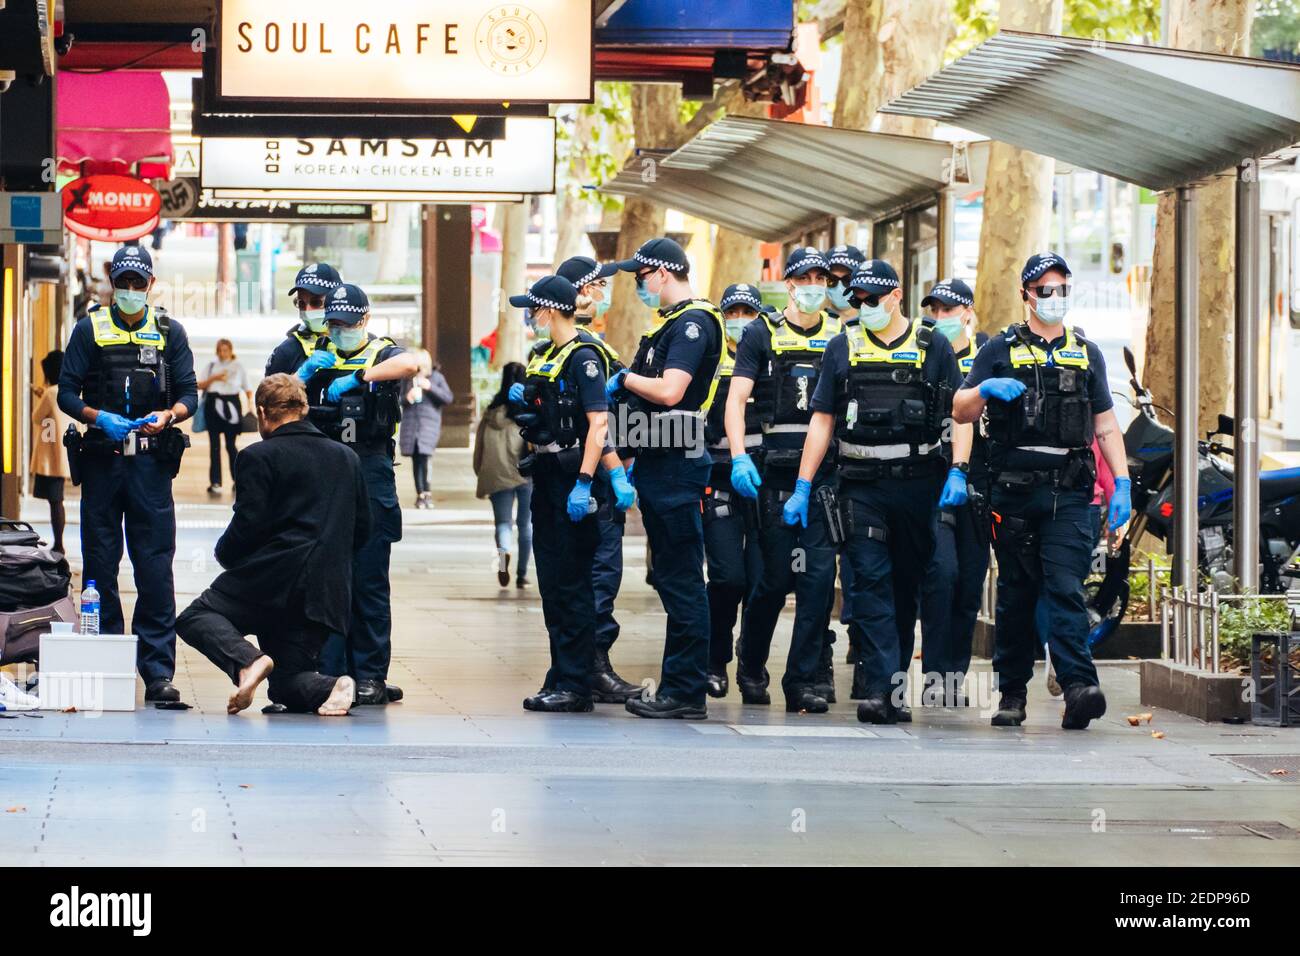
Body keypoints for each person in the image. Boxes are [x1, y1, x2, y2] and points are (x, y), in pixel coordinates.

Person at [952, 252, 1132, 730]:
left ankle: (1078, 687)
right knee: (1016, 591)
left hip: (1070, 493)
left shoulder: (1086, 351)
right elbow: (961, 410)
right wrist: (987, 388)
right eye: (1045, 290)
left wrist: (1123, 484)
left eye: (1062, 289)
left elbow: (1106, 425)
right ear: (1026, 294)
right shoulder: (1000, 349)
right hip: (1012, 491)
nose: (1054, 298)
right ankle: (1011, 692)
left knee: (1064, 587)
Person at [790, 259, 970, 723]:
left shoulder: (934, 346)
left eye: (873, 299)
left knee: (905, 586)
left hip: (918, 484)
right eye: (858, 300)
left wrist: (959, 471)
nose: (864, 306)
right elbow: (824, 419)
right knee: (869, 584)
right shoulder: (841, 347)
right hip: (860, 485)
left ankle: (890, 683)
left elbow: (959, 413)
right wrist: (803, 483)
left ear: (895, 297)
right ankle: (883, 688)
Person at [175, 374, 366, 716]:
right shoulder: (347, 458)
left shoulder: (258, 456)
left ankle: (248, 662)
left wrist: (225, 555)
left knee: (196, 616)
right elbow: (364, 530)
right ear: (304, 409)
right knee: (287, 684)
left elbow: (249, 525)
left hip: (273, 580)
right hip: (325, 593)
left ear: (262, 413)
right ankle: (334, 684)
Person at [58, 244, 198, 703]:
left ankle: (158, 672)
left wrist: (169, 414)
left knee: (155, 567)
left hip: (150, 466)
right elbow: (66, 394)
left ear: (151, 285)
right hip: (102, 461)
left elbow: (190, 394)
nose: (132, 290)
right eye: (124, 282)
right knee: (99, 565)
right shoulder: (89, 328)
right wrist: (98, 417)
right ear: (111, 283)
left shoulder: (168, 331)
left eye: (139, 283)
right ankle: (108, 661)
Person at [506, 275, 636, 712]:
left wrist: (586, 481)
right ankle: (561, 673)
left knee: (574, 585)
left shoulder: (585, 357)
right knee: (554, 585)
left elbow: (597, 424)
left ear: (548, 310)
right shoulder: (549, 356)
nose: (530, 317)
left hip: (574, 476)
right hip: (547, 472)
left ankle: (576, 684)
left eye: (533, 309)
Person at [608, 237, 725, 719]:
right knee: (673, 579)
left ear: (662, 273)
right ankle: (677, 683)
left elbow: (672, 390)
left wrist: (624, 378)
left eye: (641, 276)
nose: (638, 285)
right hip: (661, 465)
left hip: (678, 466)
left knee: (682, 582)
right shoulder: (672, 325)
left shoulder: (694, 324)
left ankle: (687, 692)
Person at [725, 248, 842, 712]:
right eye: (805, 277)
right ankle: (751, 662)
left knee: (816, 582)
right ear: (789, 284)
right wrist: (739, 457)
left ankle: (802, 680)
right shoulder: (762, 333)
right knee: (773, 582)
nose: (815, 285)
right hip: (773, 472)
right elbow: (736, 401)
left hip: (826, 477)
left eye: (822, 277)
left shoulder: (840, 335)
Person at [302, 283, 420, 706]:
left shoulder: (382, 352)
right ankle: (332, 671)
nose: (338, 331)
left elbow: (412, 363)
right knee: (327, 580)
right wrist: (300, 378)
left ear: (364, 321)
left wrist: (358, 376)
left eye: (347, 324)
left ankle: (370, 674)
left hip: (370, 470)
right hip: (324, 471)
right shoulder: (316, 353)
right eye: (333, 323)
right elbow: (276, 399)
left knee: (369, 579)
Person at [556, 255, 641, 703]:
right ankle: (592, 666)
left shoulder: (587, 346)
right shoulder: (581, 351)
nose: (602, 293)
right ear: (579, 292)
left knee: (595, 574)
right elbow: (594, 424)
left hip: (598, 476)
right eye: (596, 286)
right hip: (595, 478)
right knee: (599, 574)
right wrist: (612, 470)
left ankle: (586, 665)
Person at [917, 278, 990, 705]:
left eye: (949, 309)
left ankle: (954, 674)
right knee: (940, 575)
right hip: (933, 483)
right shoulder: (925, 358)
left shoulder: (987, 359)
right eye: (935, 310)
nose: (941, 318)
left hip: (978, 486)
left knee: (968, 581)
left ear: (967, 312)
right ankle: (933, 674)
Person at [701, 283, 765, 698]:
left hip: (762, 481)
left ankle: (752, 664)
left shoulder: (767, 356)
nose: (740, 318)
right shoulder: (710, 360)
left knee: (764, 580)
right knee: (727, 577)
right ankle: (715, 658)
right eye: (733, 311)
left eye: (748, 311)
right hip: (718, 477)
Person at [475, 362, 532, 589]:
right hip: (525, 475)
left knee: (503, 524)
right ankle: (522, 575)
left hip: (496, 474)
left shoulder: (491, 412)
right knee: (526, 524)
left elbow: (479, 446)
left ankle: (503, 558)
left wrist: (480, 470)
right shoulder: (527, 412)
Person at [399, 347, 454, 509]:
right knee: (416, 460)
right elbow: (400, 399)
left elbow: (447, 397)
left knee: (425, 458)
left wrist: (429, 387)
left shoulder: (437, 378)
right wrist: (407, 398)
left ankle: (427, 492)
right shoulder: (407, 379)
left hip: (428, 425)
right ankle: (420, 494)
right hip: (411, 424)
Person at [265, 263, 342, 377]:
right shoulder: (287, 351)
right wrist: (298, 376)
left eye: (316, 302)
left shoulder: (366, 345)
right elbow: (266, 394)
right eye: (301, 303)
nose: (307, 310)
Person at [197, 337, 253, 496]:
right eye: (220, 350)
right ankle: (215, 481)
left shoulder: (238, 366)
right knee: (214, 446)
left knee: (230, 445)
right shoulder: (211, 366)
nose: (223, 353)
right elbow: (200, 385)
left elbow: (247, 387)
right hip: (213, 404)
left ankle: (237, 479)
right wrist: (215, 377)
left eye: (226, 350)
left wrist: (251, 405)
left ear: (230, 350)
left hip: (231, 404)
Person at [30, 350, 73, 554]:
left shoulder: (50, 393)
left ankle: (59, 543)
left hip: (50, 457)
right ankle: (59, 542)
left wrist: (42, 395)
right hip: (64, 453)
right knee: (57, 500)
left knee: (55, 501)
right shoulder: (69, 391)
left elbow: (37, 417)